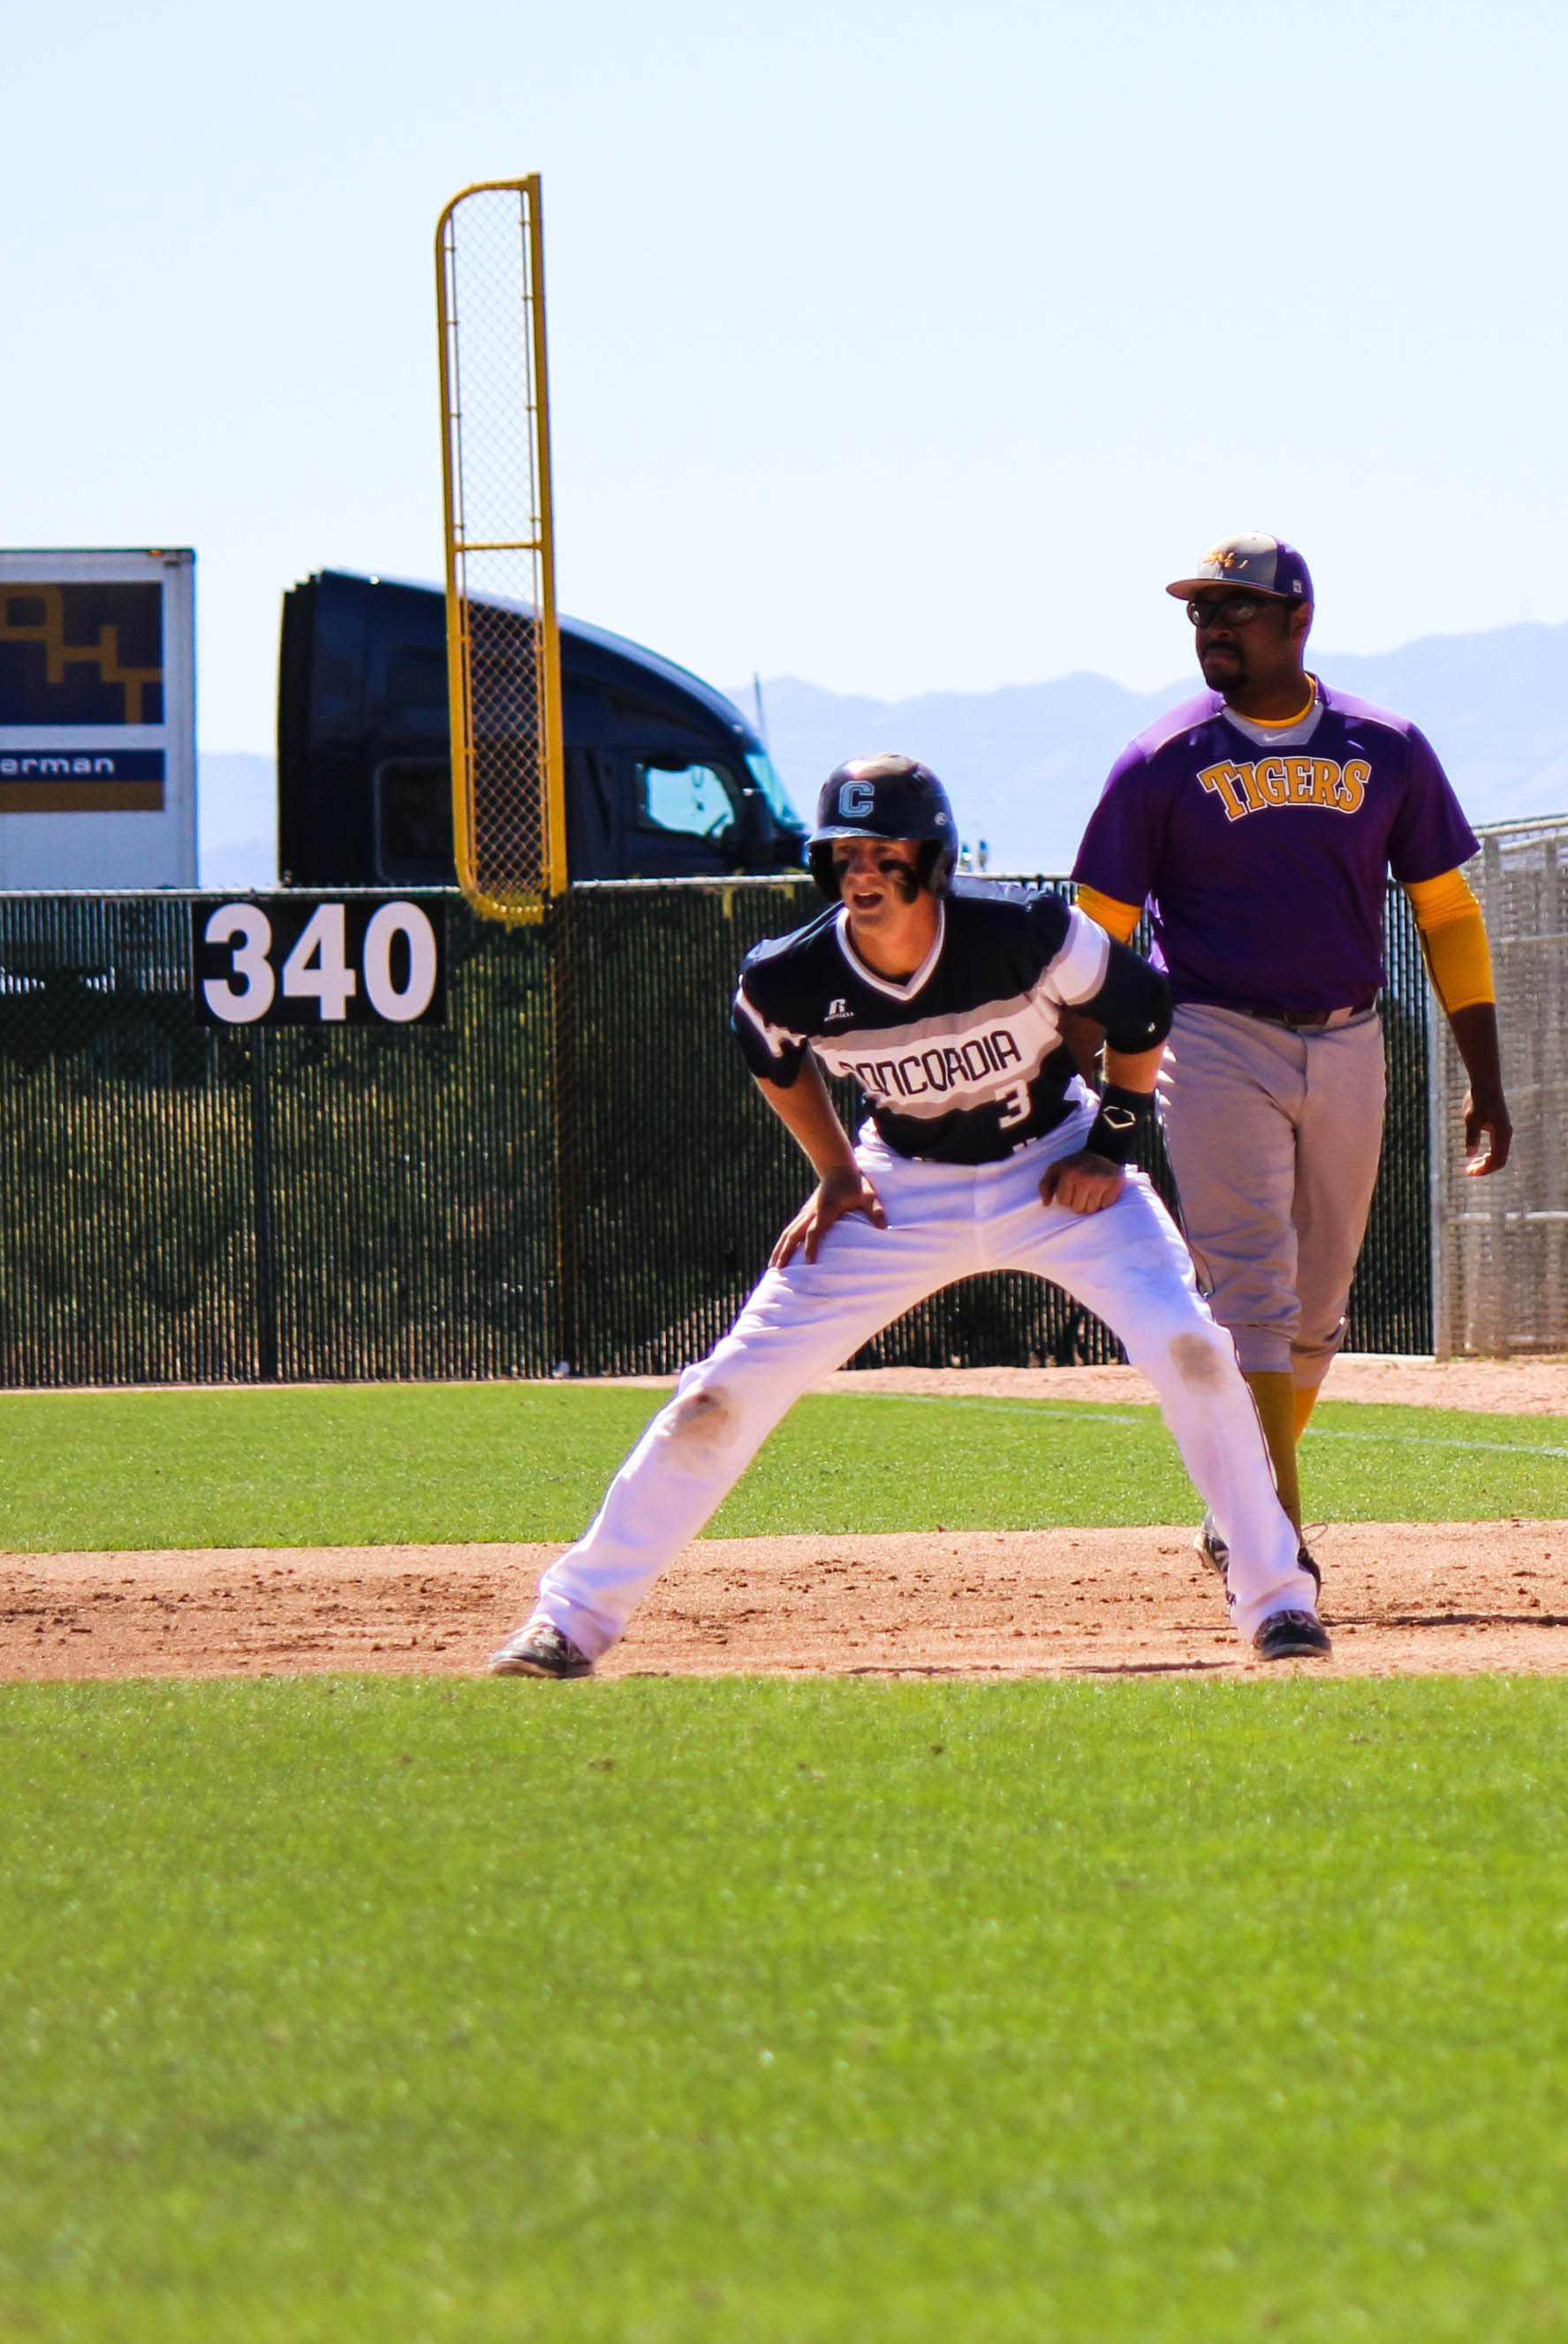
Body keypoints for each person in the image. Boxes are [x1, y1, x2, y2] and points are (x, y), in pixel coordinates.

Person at [487, 755, 1328, 1675]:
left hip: (1052, 1165)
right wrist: (835, 1170)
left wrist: (1111, 1149)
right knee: (721, 1394)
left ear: (931, 860)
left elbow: (1143, 1009)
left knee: (1192, 1349)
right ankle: (570, 1619)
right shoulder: (789, 975)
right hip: (901, 1187)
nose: (863, 872)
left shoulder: (1023, 929)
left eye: (885, 852)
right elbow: (772, 1058)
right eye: (843, 854)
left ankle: (1280, 1604)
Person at [1068, 534, 1513, 1558]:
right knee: (1254, 1295)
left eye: (1235, 609)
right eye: (1199, 611)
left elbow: (1446, 912)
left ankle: (1240, 1501)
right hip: (1212, 1036)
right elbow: (1098, 936)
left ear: (1298, 620)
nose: (1211, 627)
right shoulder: (1159, 762)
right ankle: (1275, 1533)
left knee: (1317, 1312)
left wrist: (1483, 1076)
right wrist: (1076, 1091)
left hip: (1350, 1039)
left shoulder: (1386, 746)